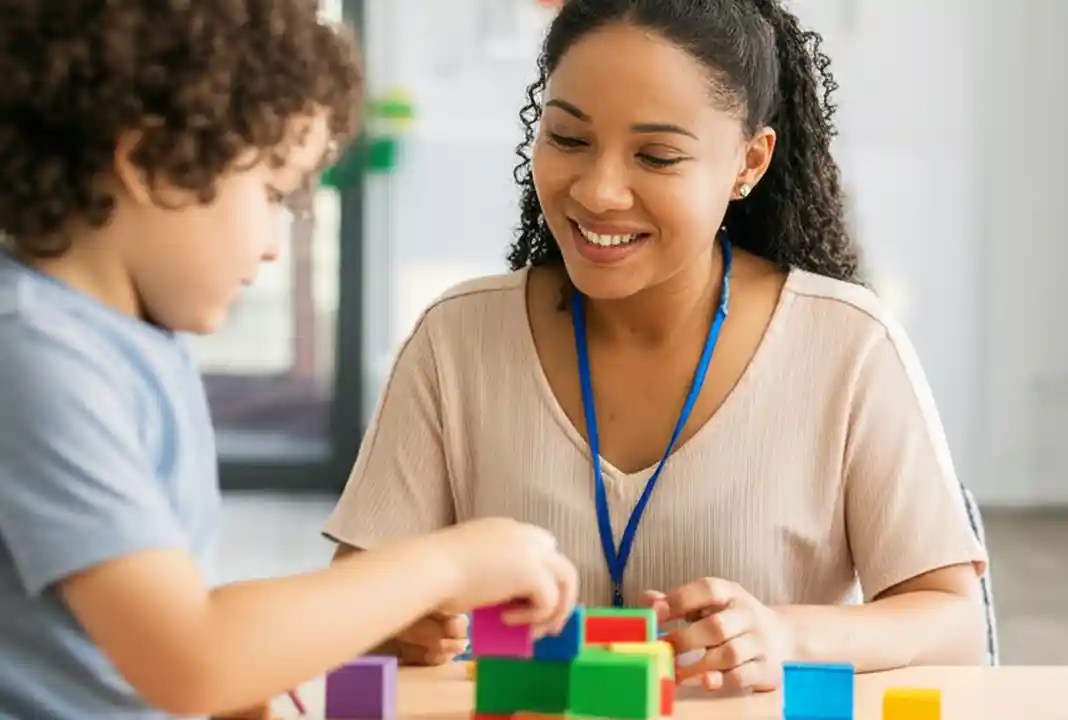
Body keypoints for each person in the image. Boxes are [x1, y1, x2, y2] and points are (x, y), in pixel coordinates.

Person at [324, 0, 990, 693]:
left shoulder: (847, 344)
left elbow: (955, 626)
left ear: (749, 163)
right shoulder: (456, 339)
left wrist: (785, 634)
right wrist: (398, 621)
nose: (599, 190)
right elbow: (349, 603)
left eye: (657, 155)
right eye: (568, 139)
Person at [0, 2, 578, 718]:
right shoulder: (37, 360)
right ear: (151, 164)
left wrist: (273, 671)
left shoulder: (131, 339)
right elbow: (189, 659)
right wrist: (446, 564)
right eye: (273, 194)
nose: (275, 244)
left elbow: (146, 632)